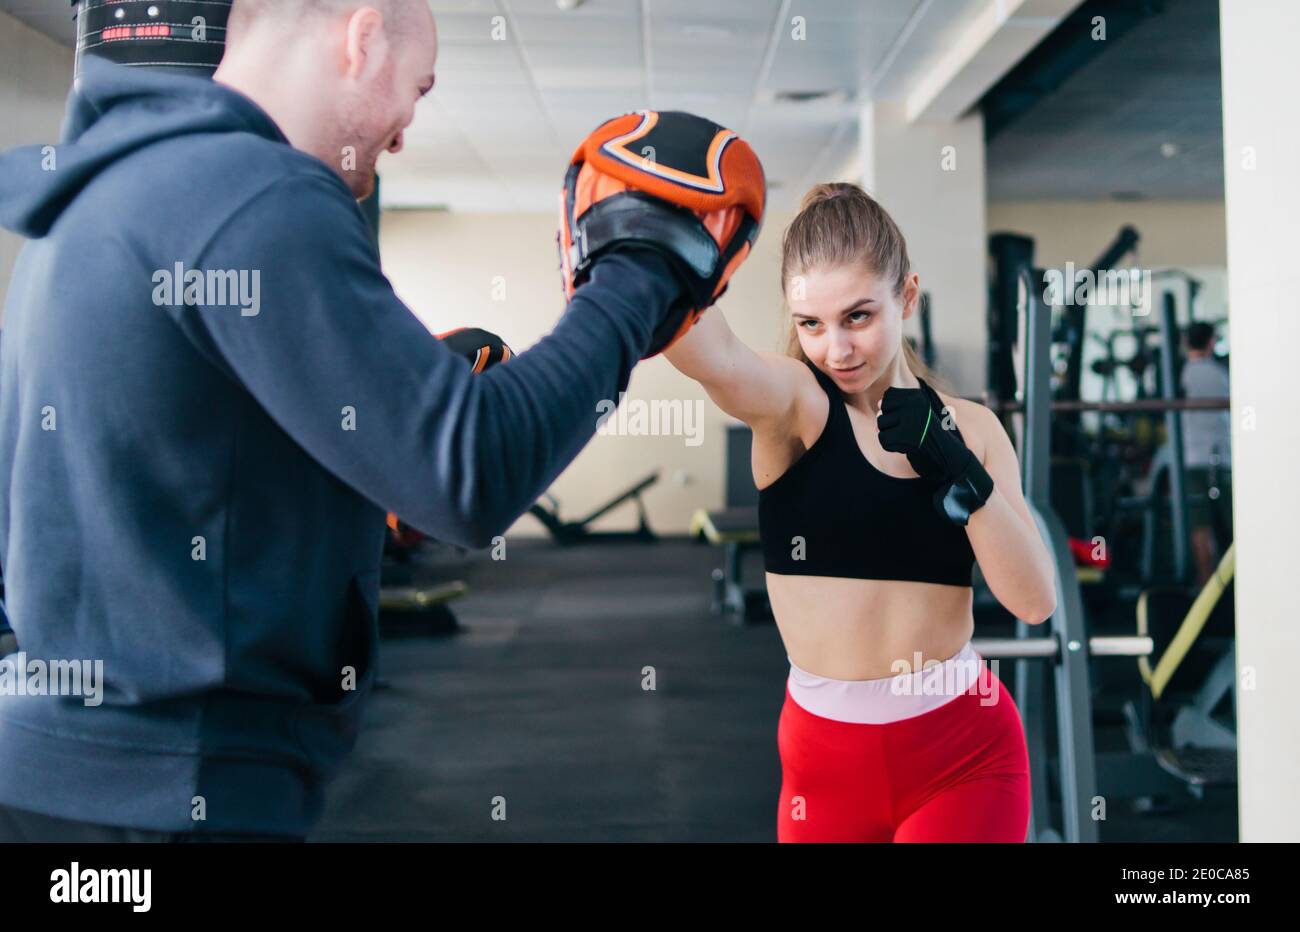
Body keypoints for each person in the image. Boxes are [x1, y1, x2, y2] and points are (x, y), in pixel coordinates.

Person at [0, 0, 757, 841]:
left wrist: (358, 478)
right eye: (418, 88)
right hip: (175, 795)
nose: (403, 134)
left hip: (59, 789)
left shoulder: (85, 213)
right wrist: (640, 269)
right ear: (361, 37)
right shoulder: (257, 193)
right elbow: (473, 471)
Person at [665, 183, 1057, 842]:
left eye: (858, 316)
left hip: (965, 752)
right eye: (810, 324)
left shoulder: (977, 428)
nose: (836, 350)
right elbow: (716, 356)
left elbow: (1035, 601)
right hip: (825, 766)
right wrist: (659, 252)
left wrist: (959, 470)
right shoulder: (796, 407)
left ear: (906, 296)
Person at [1180, 321, 1232, 586]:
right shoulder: (1222, 374)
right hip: (1223, 459)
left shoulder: (1181, 374)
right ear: (1211, 342)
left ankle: (1206, 588)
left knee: (1201, 528)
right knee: (1234, 528)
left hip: (1194, 460)